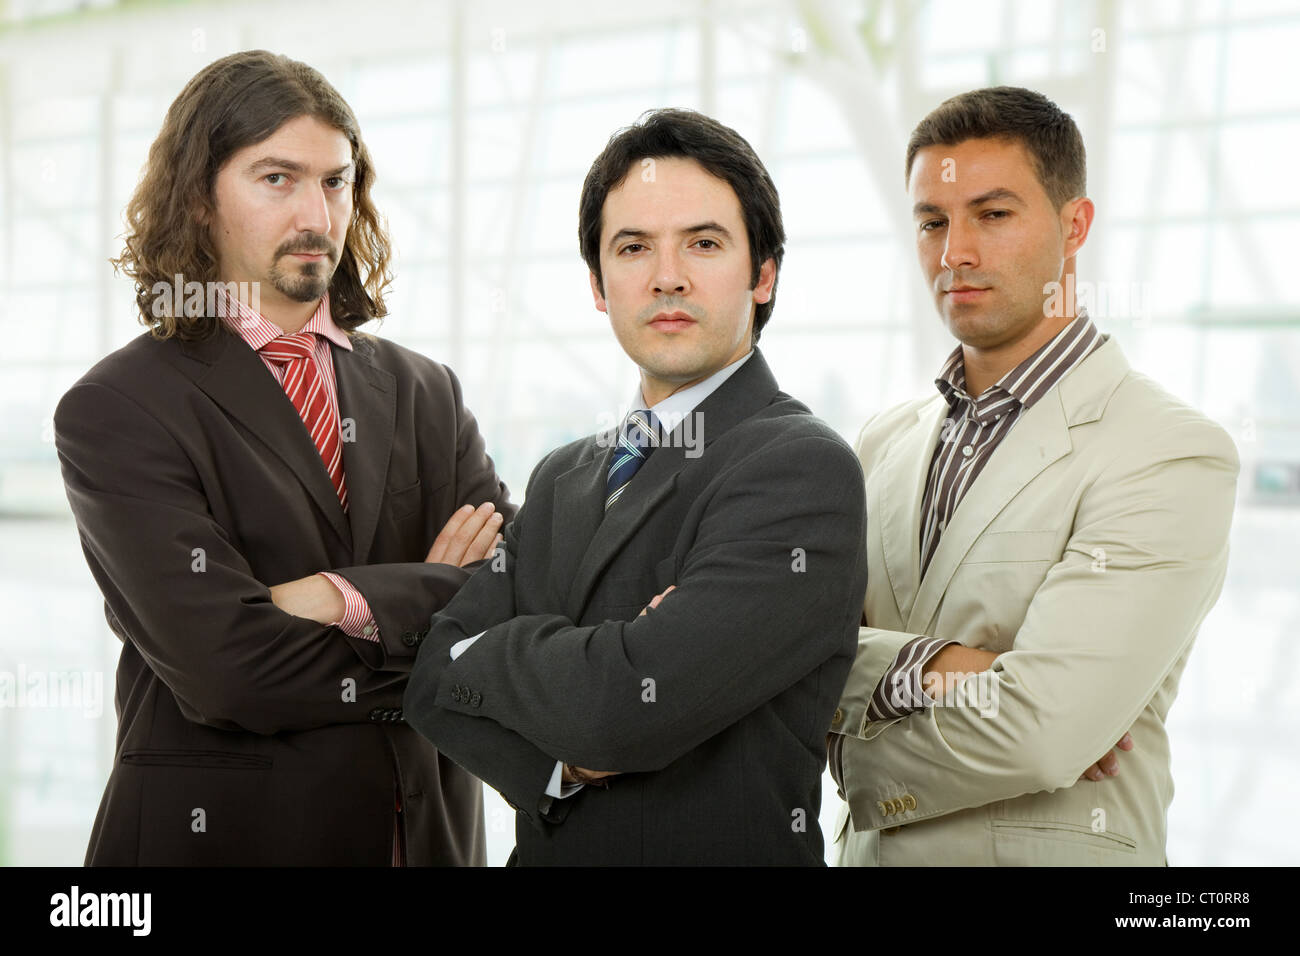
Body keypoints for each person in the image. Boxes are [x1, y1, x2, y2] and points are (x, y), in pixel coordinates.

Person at [53, 50, 513, 866]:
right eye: (278, 179)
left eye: (335, 182)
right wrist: (436, 618)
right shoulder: (118, 410)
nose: (317, 214)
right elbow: (227, 671)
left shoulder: (425, 391)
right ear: (198, 200)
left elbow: (514, 606)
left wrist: (338, 598)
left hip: (426, 839)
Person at [402, 108, 868, 865]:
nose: (667, 276)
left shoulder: (798, 466)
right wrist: (558, 763)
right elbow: (430, 679)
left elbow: (624, 709)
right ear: (598, 283)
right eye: (633, 248)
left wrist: (490, 648)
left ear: (764, 274)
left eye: (705, 243)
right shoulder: (563, 475)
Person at [828, 86, 1239, 865]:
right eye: (932, 221)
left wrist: (852, 753)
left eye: (993, 213)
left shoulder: (1168, 449)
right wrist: (942, 667)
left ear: (1074, 226)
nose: (956, 253)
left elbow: (1044, 736)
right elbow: (781, 656)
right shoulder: (881, 443)